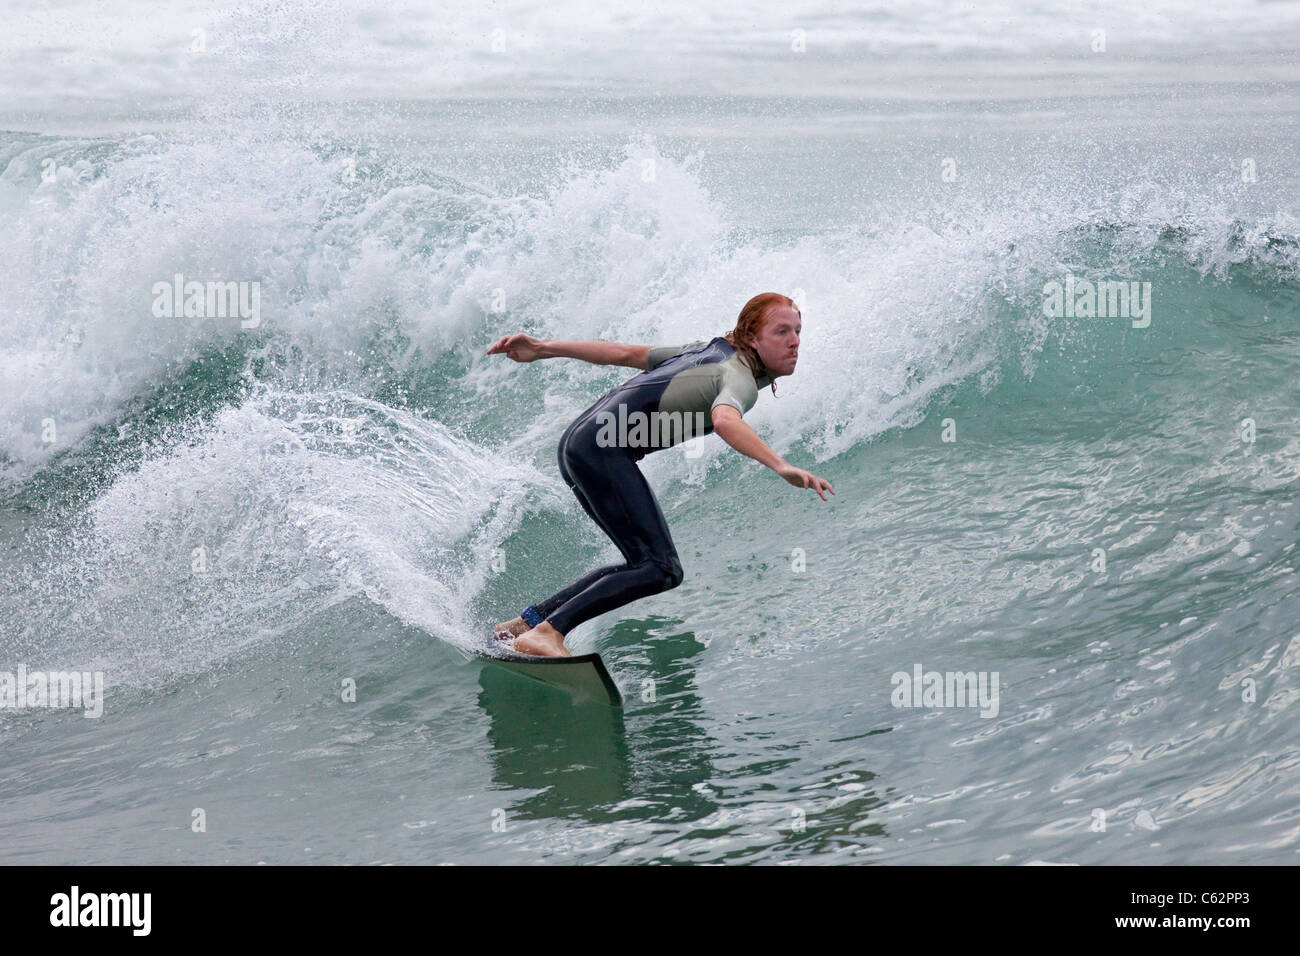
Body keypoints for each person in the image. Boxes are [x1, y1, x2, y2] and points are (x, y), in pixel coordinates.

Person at [485, 292, 833, 657]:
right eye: (781, 332)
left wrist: (543, 348)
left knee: (644, 563)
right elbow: (725, 419)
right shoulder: (739, 378)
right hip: (603, 451)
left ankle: (527, 624)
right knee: (661, 569)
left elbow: (623, 354)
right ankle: (548, 631)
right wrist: (782, 465)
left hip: (577, 444)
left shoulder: (703, 350)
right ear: (751, 339)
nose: (794, 342)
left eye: (797, 331)